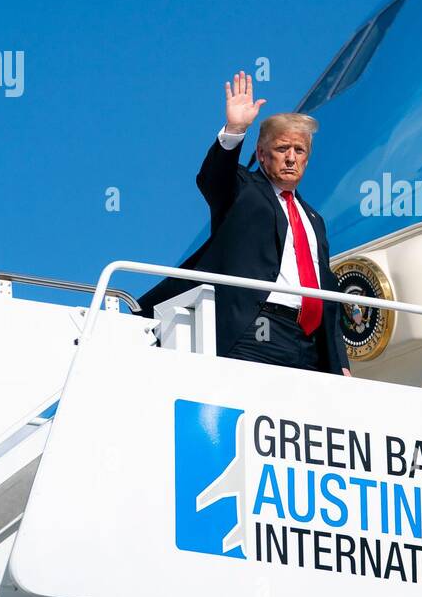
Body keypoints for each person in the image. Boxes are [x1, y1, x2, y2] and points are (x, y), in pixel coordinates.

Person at [136, 71, 352, 375]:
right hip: (256, 329)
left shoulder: (314, 219)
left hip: (310, 344)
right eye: (281, 149)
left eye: (299, 150)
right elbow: (214, 178)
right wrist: (235, 130)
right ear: (262, 156)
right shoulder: (243, 189)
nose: (291, 158)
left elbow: (325, 288)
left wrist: (339, 361)